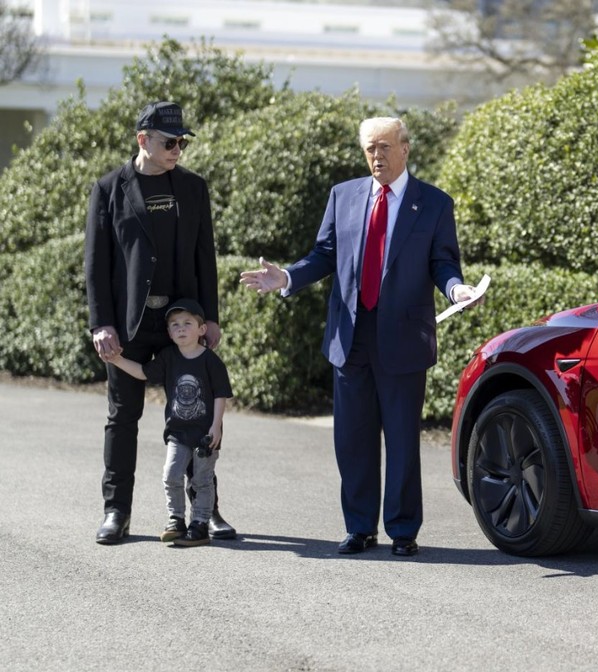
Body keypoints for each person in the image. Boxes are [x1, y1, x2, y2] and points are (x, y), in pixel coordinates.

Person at [239, 116, 480, 557]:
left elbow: (443, 263)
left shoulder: (434, 204)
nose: (377, 156)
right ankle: (359, 528)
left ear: (406, 148)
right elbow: (325, 253)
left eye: (385, 147)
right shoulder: (343, 195)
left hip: (404, 338)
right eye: (370, 148)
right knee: (353, 438)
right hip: (350, 337)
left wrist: (456, 288)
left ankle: (404, 532)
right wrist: (288, 277)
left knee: (403, 440)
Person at [85, 100, 237, 544]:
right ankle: (117, 512)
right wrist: (102, 323)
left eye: (182, 142)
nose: (177, 149)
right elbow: (95, 265)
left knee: (194, 417)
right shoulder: (109, 188)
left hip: (183, 325)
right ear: (142, 140)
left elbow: (204, 257)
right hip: (128, 326)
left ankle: (205, 512)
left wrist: (209, 317)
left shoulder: (192, 188)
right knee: (122, 416)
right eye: (169, 142)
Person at [107, 299, 233, 546]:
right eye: (175, 324)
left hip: (205, 434)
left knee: (202, 481)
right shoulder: (168, 357)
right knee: (171, 475)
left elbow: (221, 394)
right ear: (168, 332)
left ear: (201, 329)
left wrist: (216, 426)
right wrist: (116, 360)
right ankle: (176, 520)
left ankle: (200, 524)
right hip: (177, 432)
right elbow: (143, 372)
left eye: (187, 323)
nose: (181, 328)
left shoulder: (211, 361)